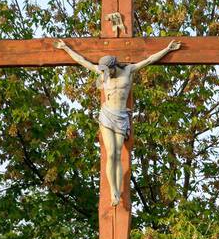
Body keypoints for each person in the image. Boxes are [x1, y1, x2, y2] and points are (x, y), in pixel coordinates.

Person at [54, 37, 182, 205]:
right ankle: (114, 192)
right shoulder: (102, 72)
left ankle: (119, 189)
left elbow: (149, 59)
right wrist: (65, 48)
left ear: (114, 65)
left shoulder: (128, 70)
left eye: (109, 70)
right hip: (107, 114)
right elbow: (81, 60)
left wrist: (168, 49)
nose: (107, 74)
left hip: (121, 116)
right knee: (111, 153)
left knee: (119, 154)